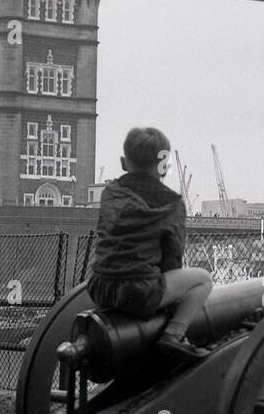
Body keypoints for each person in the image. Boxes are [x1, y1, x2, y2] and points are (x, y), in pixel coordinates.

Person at [88, 126, 212, 362]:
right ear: (163, 165)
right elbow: (172, 258)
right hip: (139, 293)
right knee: (203, 279)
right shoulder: (172, 202)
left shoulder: (110, 193)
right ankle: (174, 334)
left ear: (124, 162)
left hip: (100, 288)